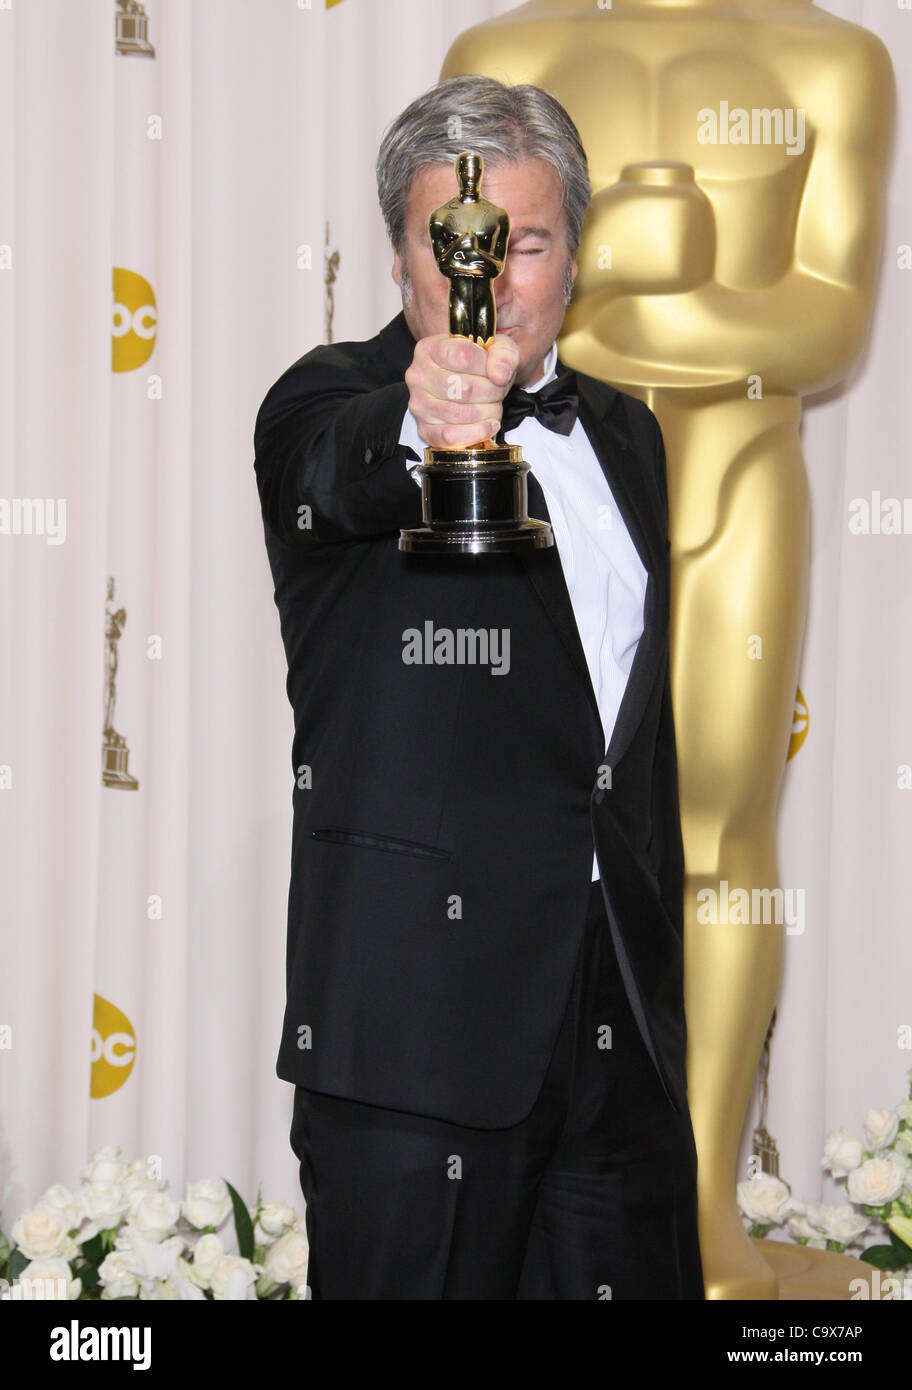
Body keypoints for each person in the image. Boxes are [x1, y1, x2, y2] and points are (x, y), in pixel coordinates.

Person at [253, 74, 703, 1301]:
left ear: (576, 255)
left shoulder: (626, 434)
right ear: (402, 255)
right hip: (419, 1044)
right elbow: (333, 475)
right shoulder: (325, 406)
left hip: (623, 1034)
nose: (492, 278)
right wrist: (424, 422)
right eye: (457, 241)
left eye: (533, 240)